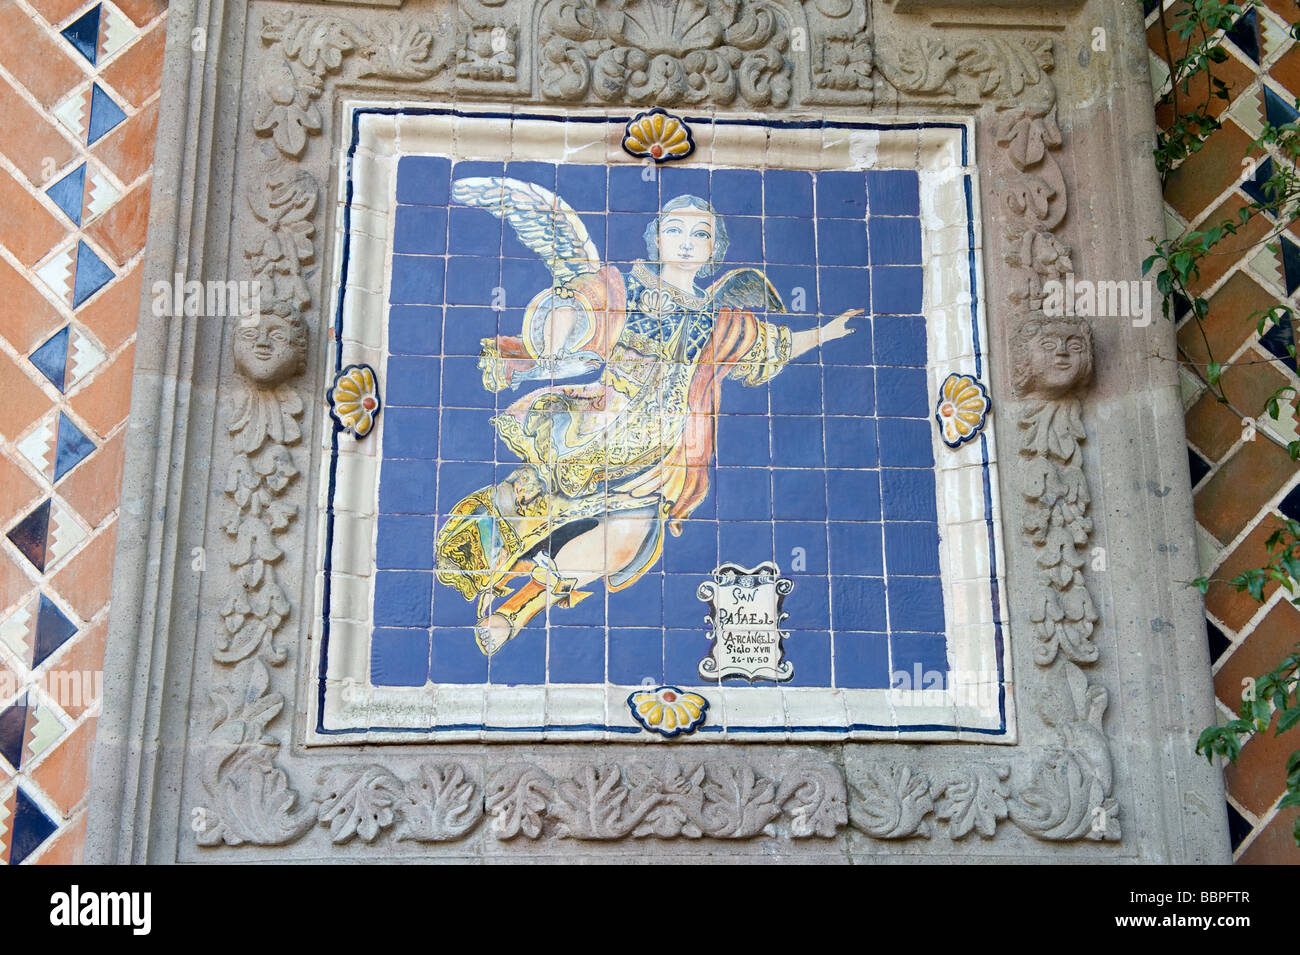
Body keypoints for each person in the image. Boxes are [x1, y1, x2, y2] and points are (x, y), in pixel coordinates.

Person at [434, 185, 862, 655]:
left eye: (699, 235)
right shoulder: (625, 288)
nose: (685, 241)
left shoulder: (719, 319)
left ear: (713, 251)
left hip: (661, 455)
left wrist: (825, 333)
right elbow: (581, 311)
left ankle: (512, 614)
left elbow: (769, 348)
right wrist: (560, 324)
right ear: (656, 239)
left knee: (621, 541)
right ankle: (470, 563)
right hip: (596, 429)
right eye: (674, 230)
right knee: (527, 503)